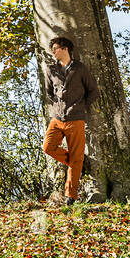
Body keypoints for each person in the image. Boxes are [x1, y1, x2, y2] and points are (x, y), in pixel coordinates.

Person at [43, 35, 98, 205]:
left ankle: (71, 196)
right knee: (48, 147)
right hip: (57, 118)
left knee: (76, 158)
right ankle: (77, 164)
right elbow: (49, 93)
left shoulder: (80, 68)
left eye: (55, 48)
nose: (53, 52)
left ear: (65, 49)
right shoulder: (51, 70)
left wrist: (80, 107)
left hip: (76, 119)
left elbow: (93, 91)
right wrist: (58, 106)